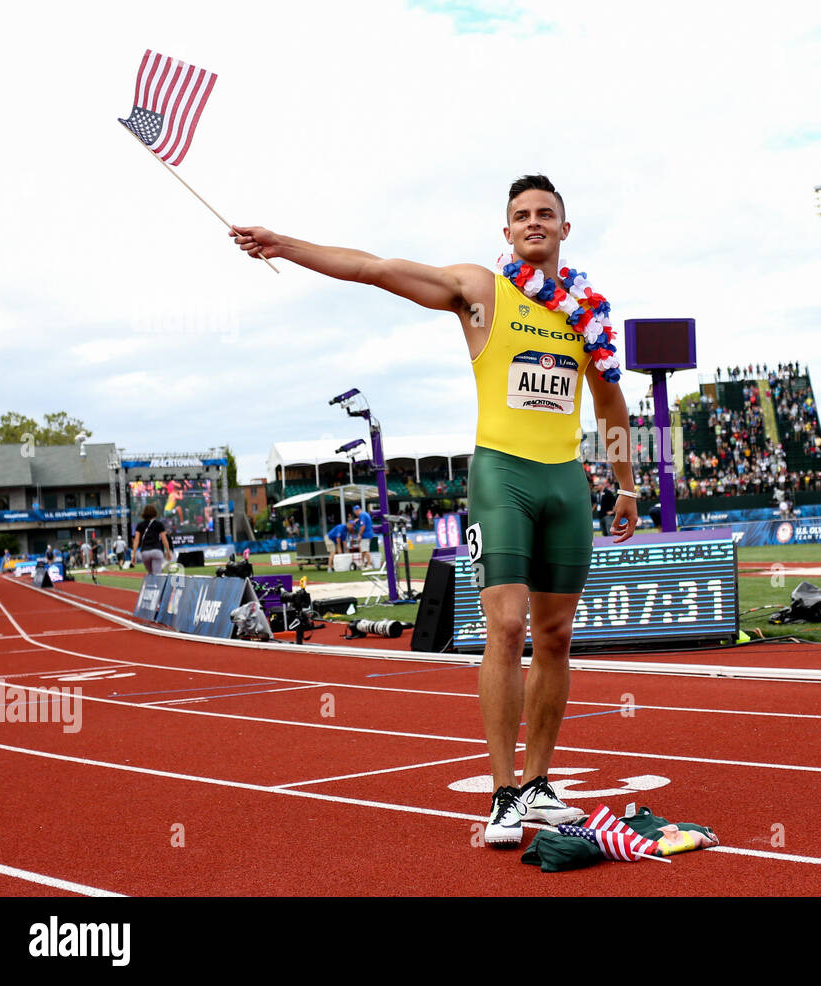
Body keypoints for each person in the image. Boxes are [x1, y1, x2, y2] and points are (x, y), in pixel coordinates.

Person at [231, 174, 638, 847]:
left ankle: (539, 783)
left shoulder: (585, 314)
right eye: (521, 215)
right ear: (506, 231)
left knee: (556, 637)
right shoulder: (480, 291)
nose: (534, 222)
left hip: (566, 482)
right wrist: (284, 244)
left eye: (545, 213)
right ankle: (504, 794)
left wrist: (626, 485)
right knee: (506, 625)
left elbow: (610, 402)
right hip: (503, 475)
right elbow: (375, 269)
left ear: (565, 228)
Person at [132, 504, 173, 574]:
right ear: (155, 513)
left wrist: (134, 555)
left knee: (150, 574)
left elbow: (136, 541)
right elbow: (164, 539)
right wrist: (168, 552)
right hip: (156, 551)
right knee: (157, 574)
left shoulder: (140, 525)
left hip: (145, 552)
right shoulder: (159, 524)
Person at [352, 504, 375, 569]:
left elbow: (363, 526)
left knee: (365, 550)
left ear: (356, 510)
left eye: (355, 512)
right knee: (363, 549)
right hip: (368, 533)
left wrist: (359, 535)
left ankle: (369, 565)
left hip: (365, 534)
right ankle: (362, 563)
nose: (355, 513)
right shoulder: (364, 514)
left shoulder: (362, 515)